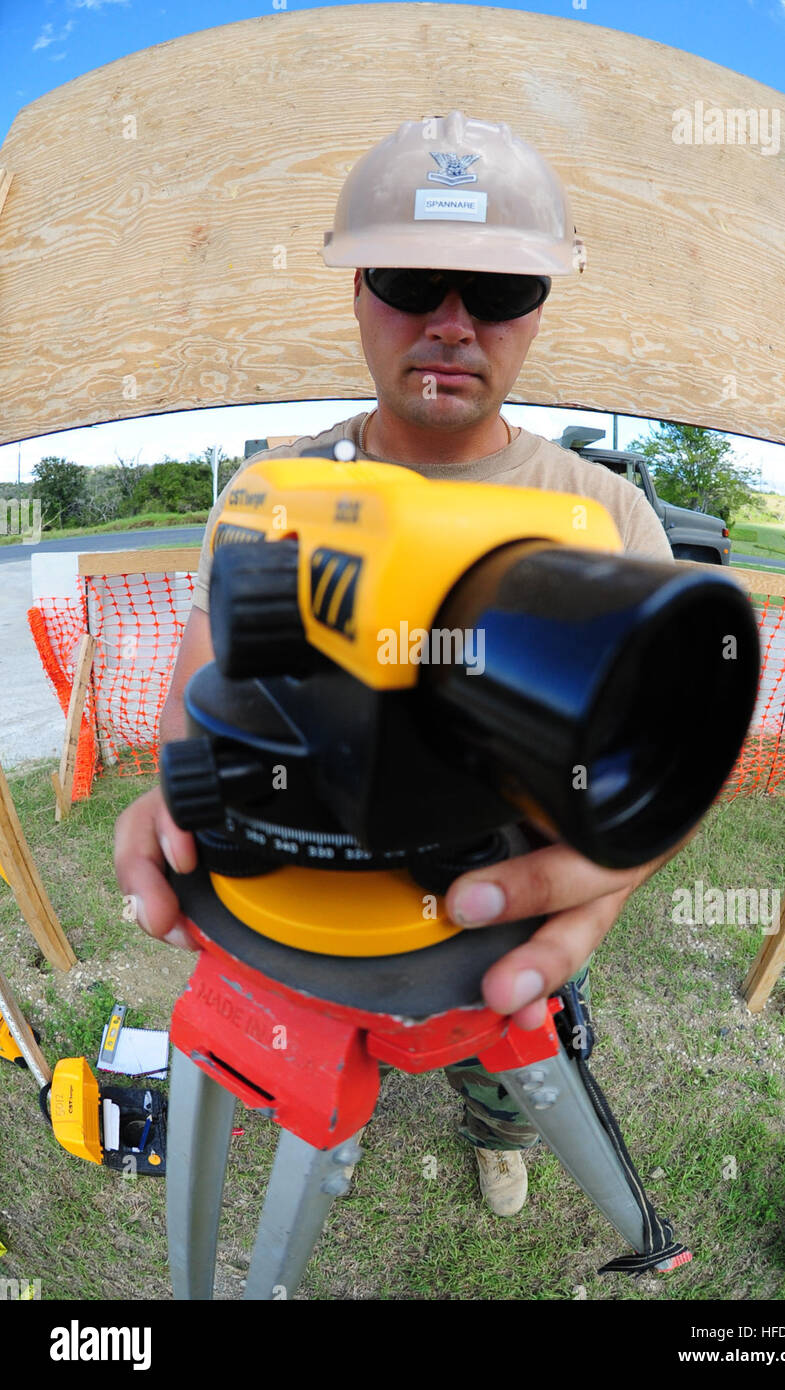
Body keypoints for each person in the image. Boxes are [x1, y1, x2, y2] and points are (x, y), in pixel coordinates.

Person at [114, 110, 690, 1219]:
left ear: (538, 309)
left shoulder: (604, 518)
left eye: (500, 291)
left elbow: (659, 749)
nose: (452, 323)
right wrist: (184, 789)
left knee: (509, 1036)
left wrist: (625, 857)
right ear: (357, 288)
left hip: (497, 902)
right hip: (314, 895)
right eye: (413, 277)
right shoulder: (271, 492)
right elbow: (201, 682)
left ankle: (495, 1119)